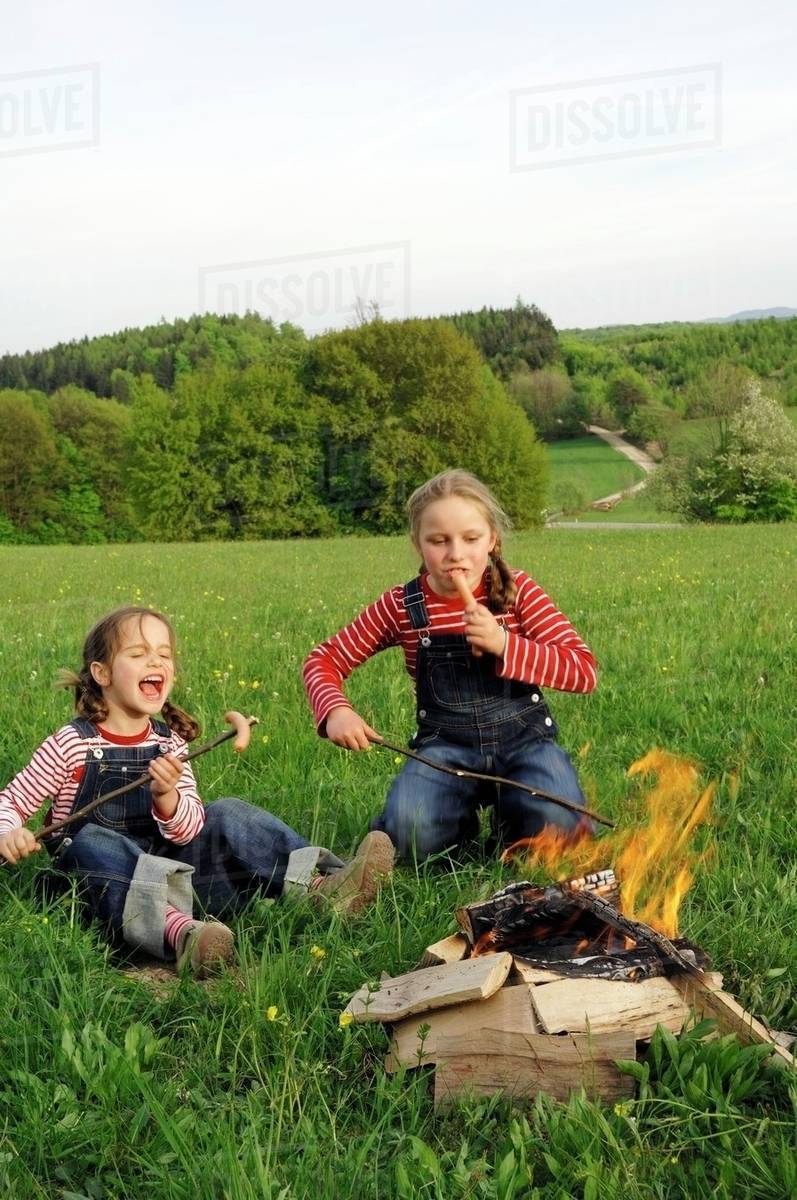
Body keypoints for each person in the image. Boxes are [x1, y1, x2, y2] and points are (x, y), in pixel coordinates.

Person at [0, 606, 394, 976]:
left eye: (163, 654)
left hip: (182, 884)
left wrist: (167, 796)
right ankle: (183, 937)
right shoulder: (71, 744)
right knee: (92, 841)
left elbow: (189, 832)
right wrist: (9, 834)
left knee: (227, 812)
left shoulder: (169, 743)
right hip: (101, 893)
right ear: (101, 673)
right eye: (138, 654)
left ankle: (323, 888)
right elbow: (13, 802)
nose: (155, 662)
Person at [303, 469, 597, 863]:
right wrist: (336, 710)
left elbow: (583, 670)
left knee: (565, 833)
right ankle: (451, 825)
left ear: (492, 539)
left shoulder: (518, 593)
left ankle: (516, 821)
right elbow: (323, 660)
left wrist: (505, 643)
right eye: (438, 541)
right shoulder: (402, 606)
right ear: (418, 544)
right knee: (408, 838)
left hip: (526, 744)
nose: (455, 553)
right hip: (444, 749)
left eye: (471, 539)